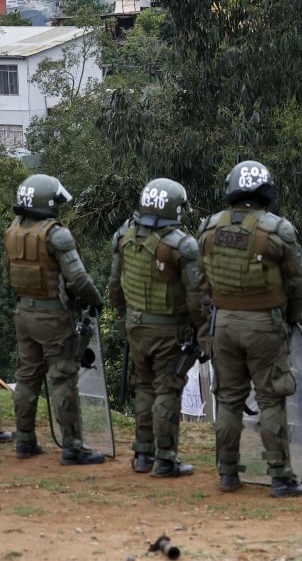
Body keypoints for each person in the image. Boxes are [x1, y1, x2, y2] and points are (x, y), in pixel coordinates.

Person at [197, 160, 302, 497]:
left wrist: (207, 322)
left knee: (228, 400)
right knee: (270, 398)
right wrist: (290, 319)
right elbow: (299, 284)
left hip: (224, 324)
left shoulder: (209, 228)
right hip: (264, 325)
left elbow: (199, 282)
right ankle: (279, 477)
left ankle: (228, 474)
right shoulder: (278, 230)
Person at [108, 178, 208, 478]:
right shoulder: (182, 245)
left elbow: (115, 286)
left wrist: (125, 318)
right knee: (168, 389)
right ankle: (165, 458)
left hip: (135, 326)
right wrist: (204, 330)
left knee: (144, 387)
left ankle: (142, 454)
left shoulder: (123, 236)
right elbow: (196, 297)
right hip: (169, 331)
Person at [3, 174, 105, 464]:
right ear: (46, 201)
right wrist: (94, 300)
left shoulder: (12, 230)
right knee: (62, 377)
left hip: (24, 313)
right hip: (52, 317)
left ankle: (24, 440)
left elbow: (10, 272)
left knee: (27, 377)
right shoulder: (55, 234)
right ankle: (73, 446)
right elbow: (78, 278)